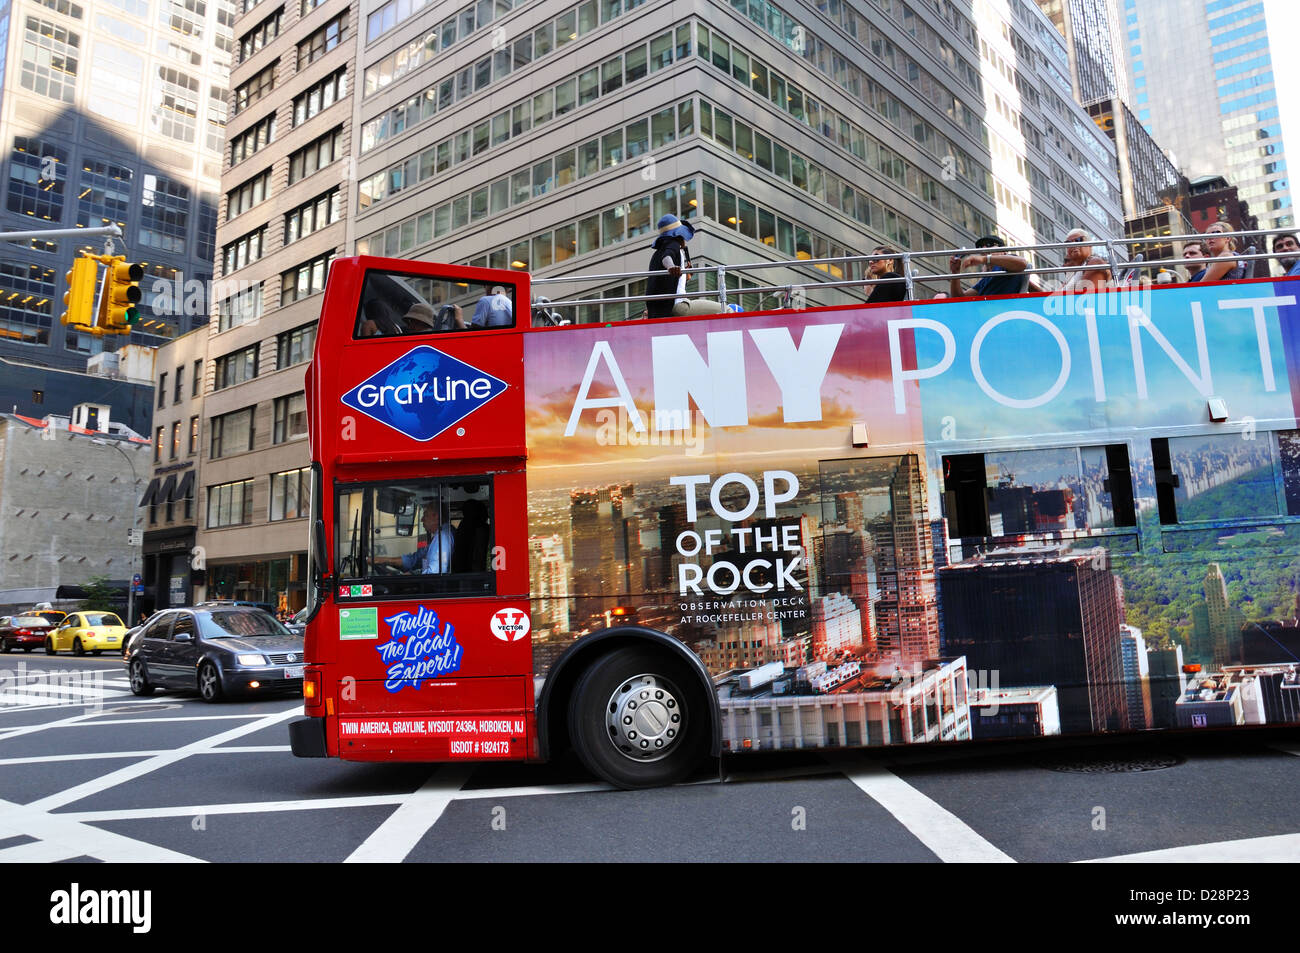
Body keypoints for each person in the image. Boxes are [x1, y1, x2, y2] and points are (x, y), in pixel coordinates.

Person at [948, 235, 1030, 297]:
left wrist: (985, 259)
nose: (983, 248)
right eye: (980, 247)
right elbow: (960, 298)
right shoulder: (985, 279)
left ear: (1003, 251)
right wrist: (955, 273)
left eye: (989, 244)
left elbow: (1022, 264)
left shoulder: (1006, 265)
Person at [398, 501, 454, 574]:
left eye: (425, 515)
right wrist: (387, 561)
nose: (422, 519)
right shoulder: (439, 535)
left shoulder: (442, 537)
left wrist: (410, 575)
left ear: (436, 516)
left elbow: (434, 573)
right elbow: (416, 559)